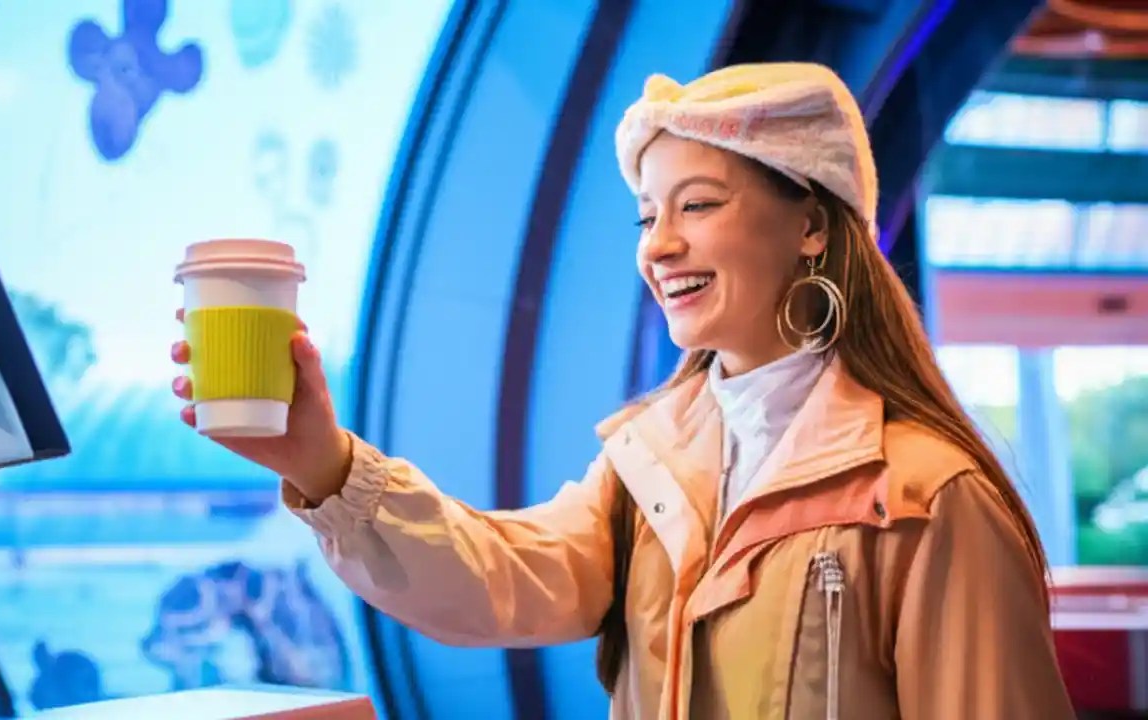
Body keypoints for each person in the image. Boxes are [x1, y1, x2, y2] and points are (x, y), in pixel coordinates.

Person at [171, 63, 1076, 719]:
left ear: (810, 220)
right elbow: (504, 580)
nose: (659, 244)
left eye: (697, 205)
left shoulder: (925, 498)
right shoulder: (652, 463)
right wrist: (323, 465)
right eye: (647, 214)